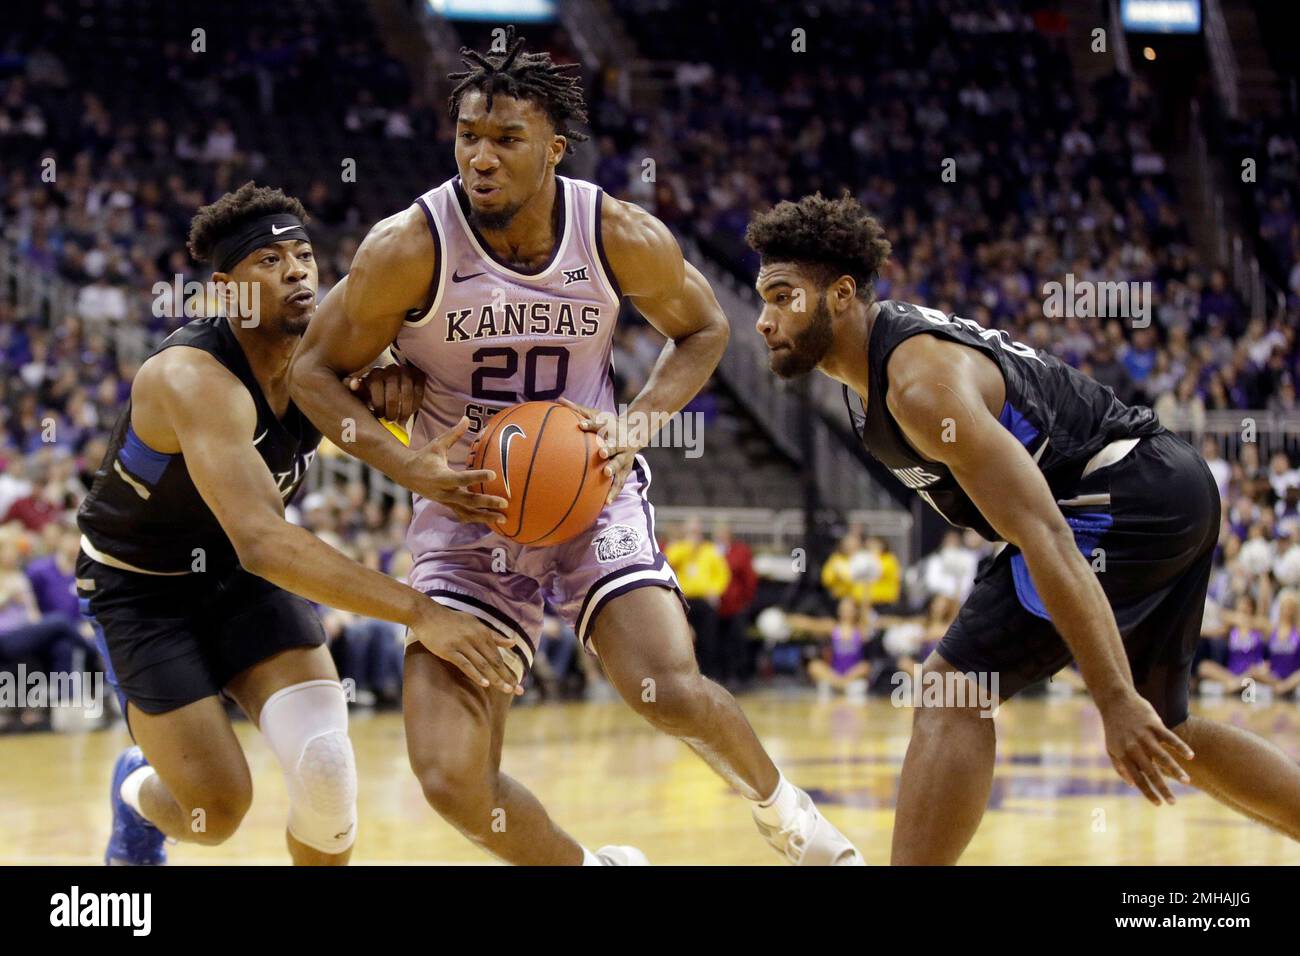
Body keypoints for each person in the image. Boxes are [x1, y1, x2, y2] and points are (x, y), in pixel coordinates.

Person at [289, 31, 861, 866]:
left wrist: (637, 423)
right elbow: (312, 374)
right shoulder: (406, 247)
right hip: (467, 515)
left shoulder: (616, 232)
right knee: (449, 778)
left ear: (554, 149)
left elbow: (704, 329)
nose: (481, 159)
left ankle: (791, 821)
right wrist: (409, 462)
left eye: (507, 140)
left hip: (588, 488)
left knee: (664, 686)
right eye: (467, 138)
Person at [746, 191, 1300, 863]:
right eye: (763, 299)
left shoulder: (920, 388)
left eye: (782, 297)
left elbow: (1045, 536)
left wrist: (1113, 698)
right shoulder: (871, 379)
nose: (764, 320)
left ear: (839, 294)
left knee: (952, 689)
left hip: (1123, 492)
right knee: (1172, 727)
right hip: (1163, 485)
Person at [76, 183, 444, 866]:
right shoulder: (189, 377)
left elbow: (409, 372)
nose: (298, 270)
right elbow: (265, 540)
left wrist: (398, 388)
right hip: (144, 592)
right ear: (226, 289)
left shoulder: (324, 357)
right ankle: (135, 790)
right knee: (212, 814)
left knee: (328, 774)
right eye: (269, 261)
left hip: (240, 580)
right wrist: (418, 610)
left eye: (303, 255)